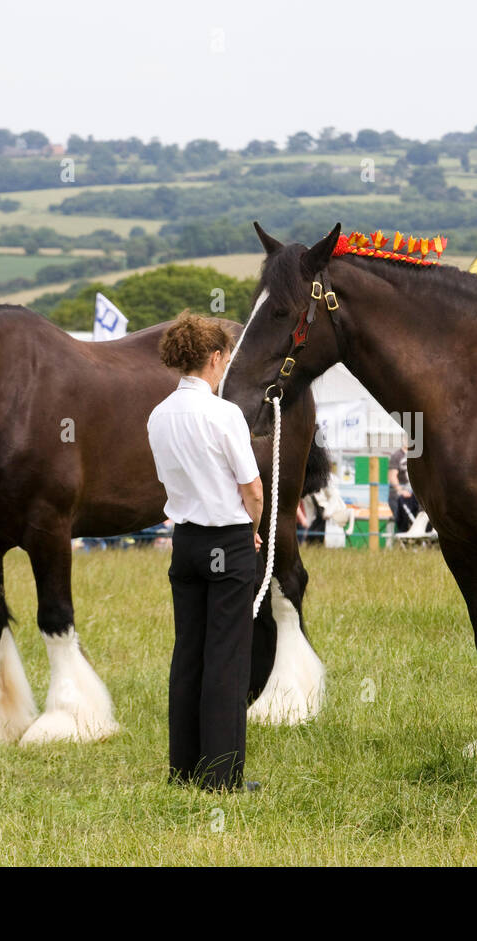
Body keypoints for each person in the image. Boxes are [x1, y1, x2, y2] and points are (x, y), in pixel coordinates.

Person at [147, 311, 263, 792]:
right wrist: (253, 530)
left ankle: (184, 769)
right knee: (227, 659)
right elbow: (252, 488)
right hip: (228, 541)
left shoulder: (158, 415)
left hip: (187, 542)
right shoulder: (224, 414)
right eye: (226, 358)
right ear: (215, 357)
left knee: (189, 654)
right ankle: (222, 776)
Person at [388, 442, 419, 532]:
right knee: (403, 521)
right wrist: (401, 491)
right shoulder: (397, 456)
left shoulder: (416, 455)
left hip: (412, 496)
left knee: (416, 519)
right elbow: (392, 476)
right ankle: (402, 541)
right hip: (397, 497)